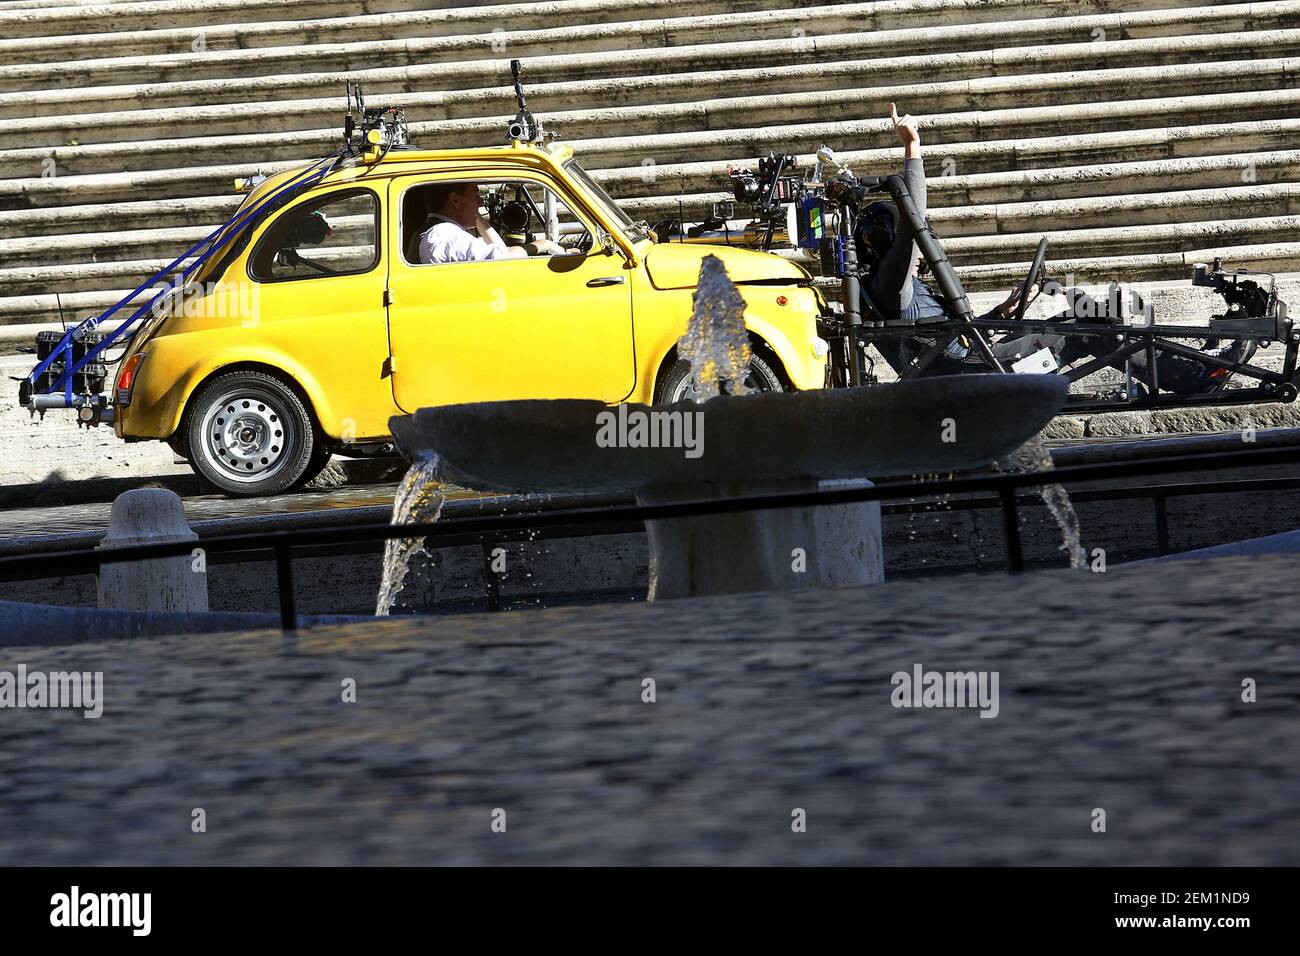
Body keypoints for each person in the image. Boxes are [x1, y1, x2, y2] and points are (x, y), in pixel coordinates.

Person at [860, 104, 1252, 394]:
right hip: (981, 379)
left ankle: (1192, 368)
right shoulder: (892, 286)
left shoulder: (901, 289)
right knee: (1094, 326)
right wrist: (913, 148)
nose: (921, 253)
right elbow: (915, 225)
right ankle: (1198, 377)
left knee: (1095, 311)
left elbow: (954, 335)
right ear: (887, 245)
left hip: (980, 362)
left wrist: (1003, 311)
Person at [412, 182, 575, 264]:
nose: (481, 203)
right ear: (455, 199)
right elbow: (501, 257)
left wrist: (474, 215)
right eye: (474, 195)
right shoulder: (443, 235)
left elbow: (499, 250)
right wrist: (544, 244)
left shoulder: (442, 232)